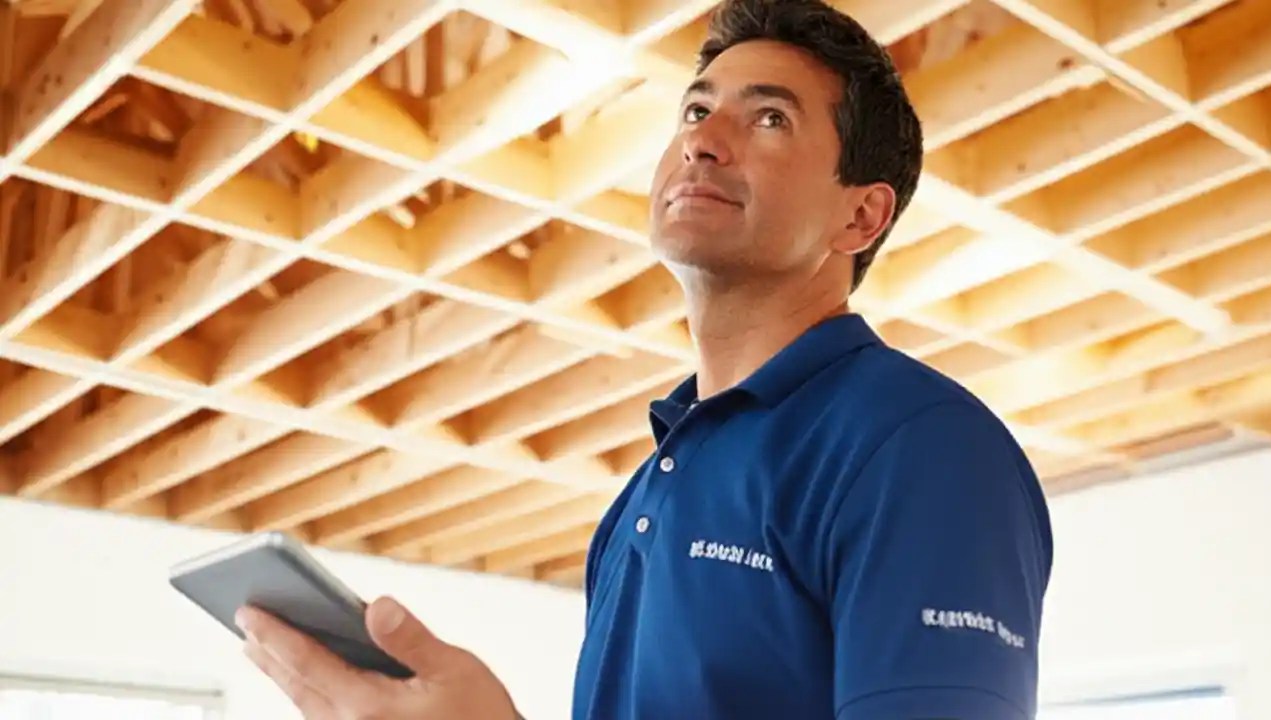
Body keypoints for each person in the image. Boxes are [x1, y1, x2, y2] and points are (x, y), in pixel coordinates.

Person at [233, 0, 1054, 718]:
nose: (704, 141)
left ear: (862, 215)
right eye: (696, 111)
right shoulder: (651, 484)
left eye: (769, 118)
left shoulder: (921, 447)